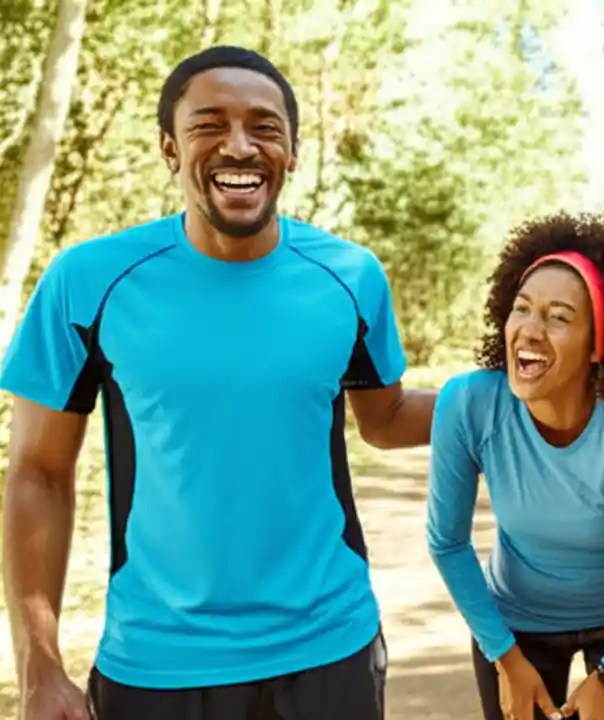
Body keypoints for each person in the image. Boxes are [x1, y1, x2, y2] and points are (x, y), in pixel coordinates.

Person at [1, 46, 436, 720]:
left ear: (291, 153)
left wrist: (513, 399)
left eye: (265, 127)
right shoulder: (86, 282)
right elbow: (37, 475)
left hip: (332, 649)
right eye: (209, 125)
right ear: (170, 148)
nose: (240, 146)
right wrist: (38, 665)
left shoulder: (350, 276)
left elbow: (385, 417)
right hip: (156, 664)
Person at [427, 213, 604, 720]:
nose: (530, 330)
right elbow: (447, 542)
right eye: (522, 309)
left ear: (598, 344)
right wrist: (506, 660)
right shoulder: (467, 406)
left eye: (558, 317)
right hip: (517, 624)